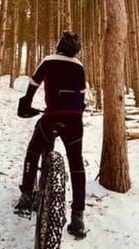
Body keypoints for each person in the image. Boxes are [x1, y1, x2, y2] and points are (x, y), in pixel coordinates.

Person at [15, 30, 87, 238]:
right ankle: (78, 217)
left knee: (34, 150)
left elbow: (34, 83)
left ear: (59, 46)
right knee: (76, 163)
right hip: (74, 119)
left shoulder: (48, 60)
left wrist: (25, 104)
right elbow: (82, 95)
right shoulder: (79, 66)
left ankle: (26, 197)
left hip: (52, 116)